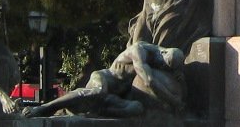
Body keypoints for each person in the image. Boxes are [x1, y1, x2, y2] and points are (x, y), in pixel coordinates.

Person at [25, 42, 186, 119]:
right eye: (163, 64)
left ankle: (94, 114)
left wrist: (179, 76)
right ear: (163, 52)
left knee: (136, 108)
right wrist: (174, 101)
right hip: (105, 79)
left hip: (118, 93)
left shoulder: (161, 59)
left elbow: (166, 74)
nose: (162, 67)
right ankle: (45, 108)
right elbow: (149, 80)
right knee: (98, 90)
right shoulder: (140, 50)